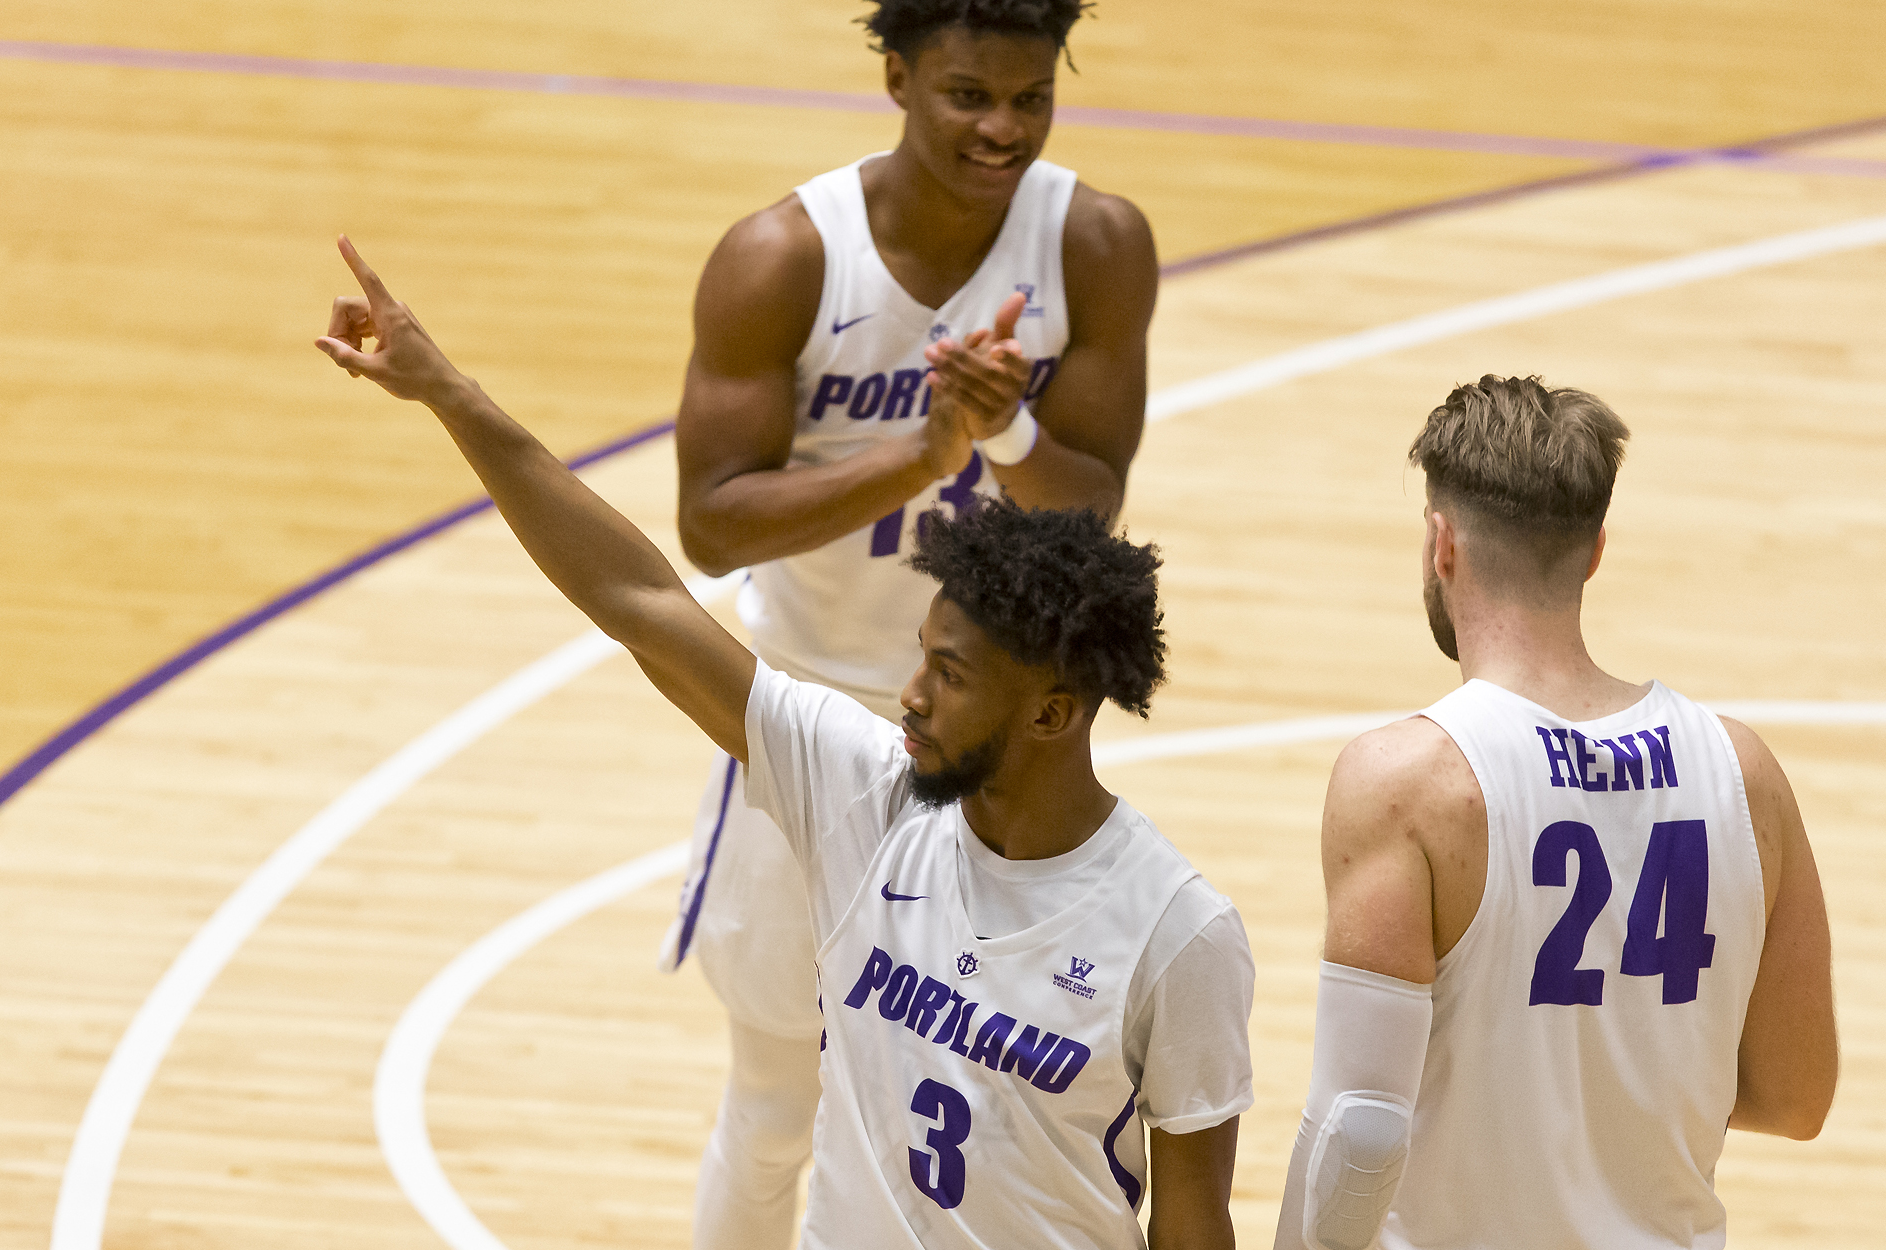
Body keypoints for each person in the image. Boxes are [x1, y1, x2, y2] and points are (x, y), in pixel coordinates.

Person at [314, 235, 1248, 1249]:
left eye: (951, 672)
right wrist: (451, 392)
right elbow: (637, 600)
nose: (911, 693)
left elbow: (1193, 1225)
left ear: (1052, 710)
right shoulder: (866, 790)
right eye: (923, 654)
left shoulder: (1176, 931)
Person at [664, 0, 1157, 1242]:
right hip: (809, 709)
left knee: (973, 1094)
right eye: (966, 96)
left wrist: (1010, 435)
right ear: (895, 76)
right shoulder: (782, 256)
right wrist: (921, 455)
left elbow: (1090, 504)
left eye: (1029, 97)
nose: (1002, 129)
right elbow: (711, 523)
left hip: (998, 733)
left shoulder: (1091, 241)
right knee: (780, 1094)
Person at [1273, 376, 1838, 1250]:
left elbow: (1359, 1126)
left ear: (1441, 543)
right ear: (1595, 550)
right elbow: (1798, 1097)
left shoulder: (1410, 780)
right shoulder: (1745, 773)